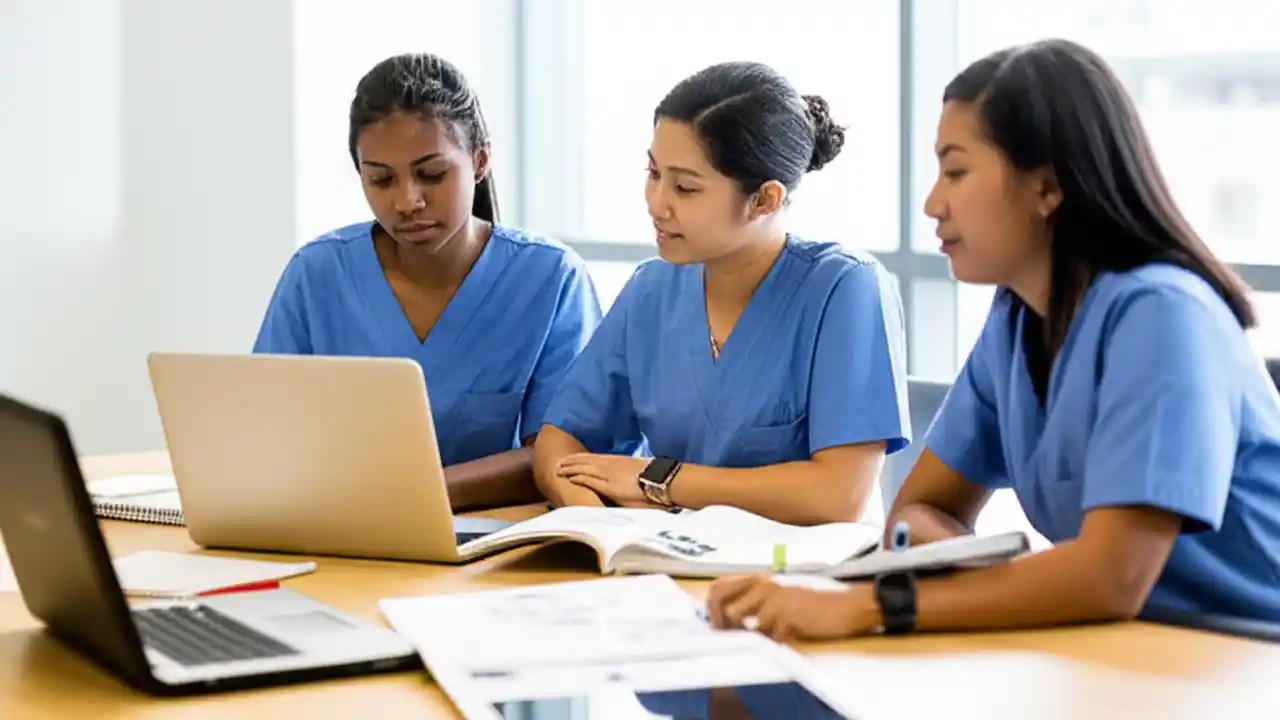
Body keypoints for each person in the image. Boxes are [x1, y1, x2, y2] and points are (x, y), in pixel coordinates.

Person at [705, 39, 1280, 642]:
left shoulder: (1163, 315)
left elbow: (1112, 577)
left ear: (1047, 187)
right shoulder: (1017, 319)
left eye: (956, 171)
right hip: (1121, 647)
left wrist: (868, 605)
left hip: (1245, 656)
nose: (933, 203)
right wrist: (1009, 577)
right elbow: (917, 514)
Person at [532, 61, 910, 525]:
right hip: (660, 552)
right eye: (653, 173)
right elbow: (560, 442)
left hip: (800, 565)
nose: (656, 203)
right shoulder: (651, 291)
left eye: (685, 188)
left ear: (765, 200)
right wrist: (602, 527)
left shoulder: (846, 288)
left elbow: (838, 495)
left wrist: (658, 480)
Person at [254, 54, 602, 511]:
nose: (407, 201)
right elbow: (265, 437)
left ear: (480, 160)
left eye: (432, 174)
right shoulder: (316, 274)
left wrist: (411, 494)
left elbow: (564, 457)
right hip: (337, 529)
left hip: (496, 537)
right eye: (381, 180)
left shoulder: (551, 278)